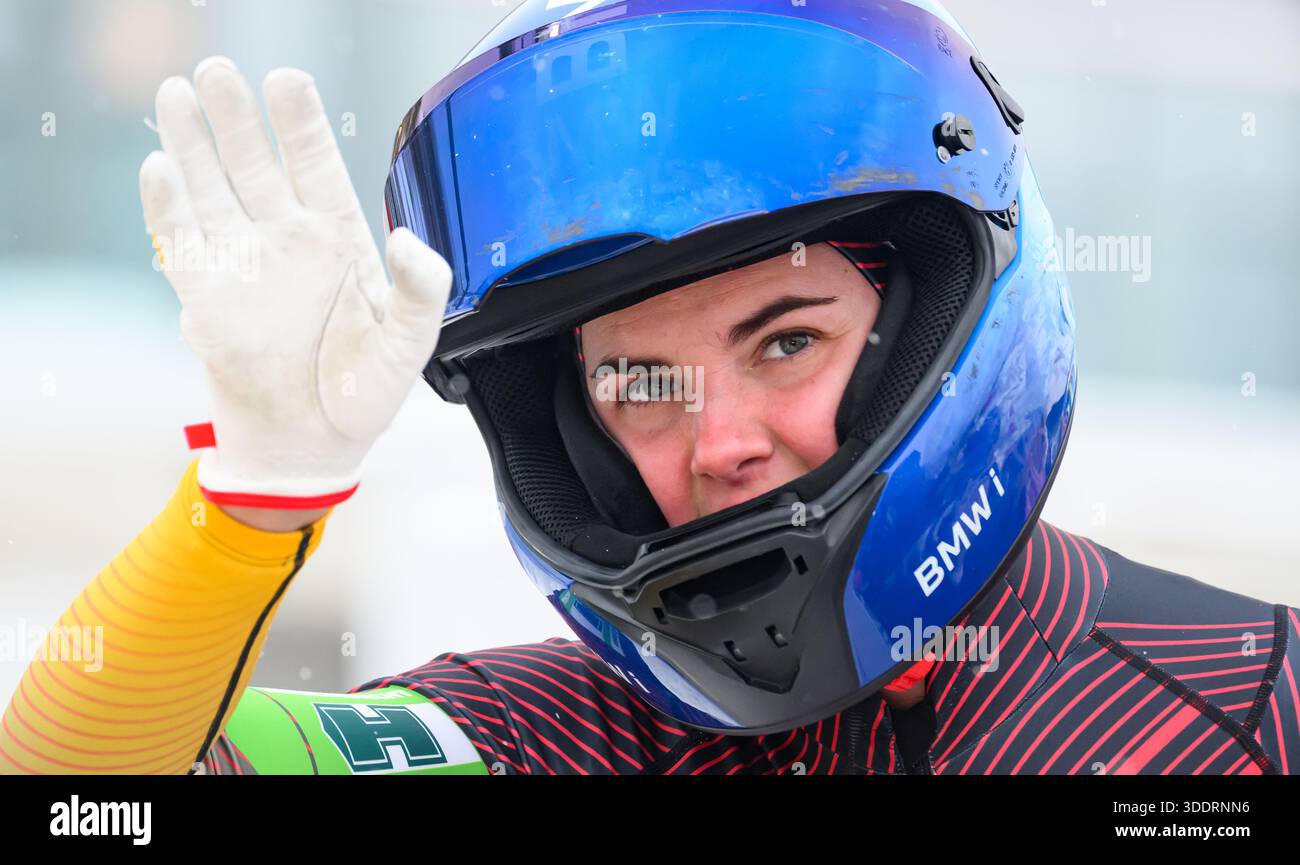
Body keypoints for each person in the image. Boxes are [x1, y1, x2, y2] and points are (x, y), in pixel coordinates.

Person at [2, 0, 1297, 776]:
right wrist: (252, 502)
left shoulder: (1246, 701)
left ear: (941, 316)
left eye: (786, 341)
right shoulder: (550, 735)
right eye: (638, 380)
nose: (719, 440)